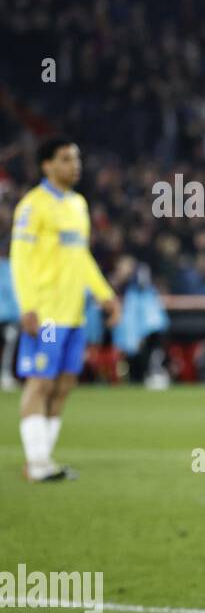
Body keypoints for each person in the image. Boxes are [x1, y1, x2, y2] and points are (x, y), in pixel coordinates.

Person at [10, 137, 120, 482]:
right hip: (45, 313)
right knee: (40, 383)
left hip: (75, 313)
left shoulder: (78, 205)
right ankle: (37, 463)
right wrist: (27, 305)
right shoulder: (33, 206)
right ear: (47, 165)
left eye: (77, 158)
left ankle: (45, 461)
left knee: (65, 384)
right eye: (66, 159)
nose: (75, 165)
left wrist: (105, 294)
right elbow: (20, 258)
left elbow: (81, 257)